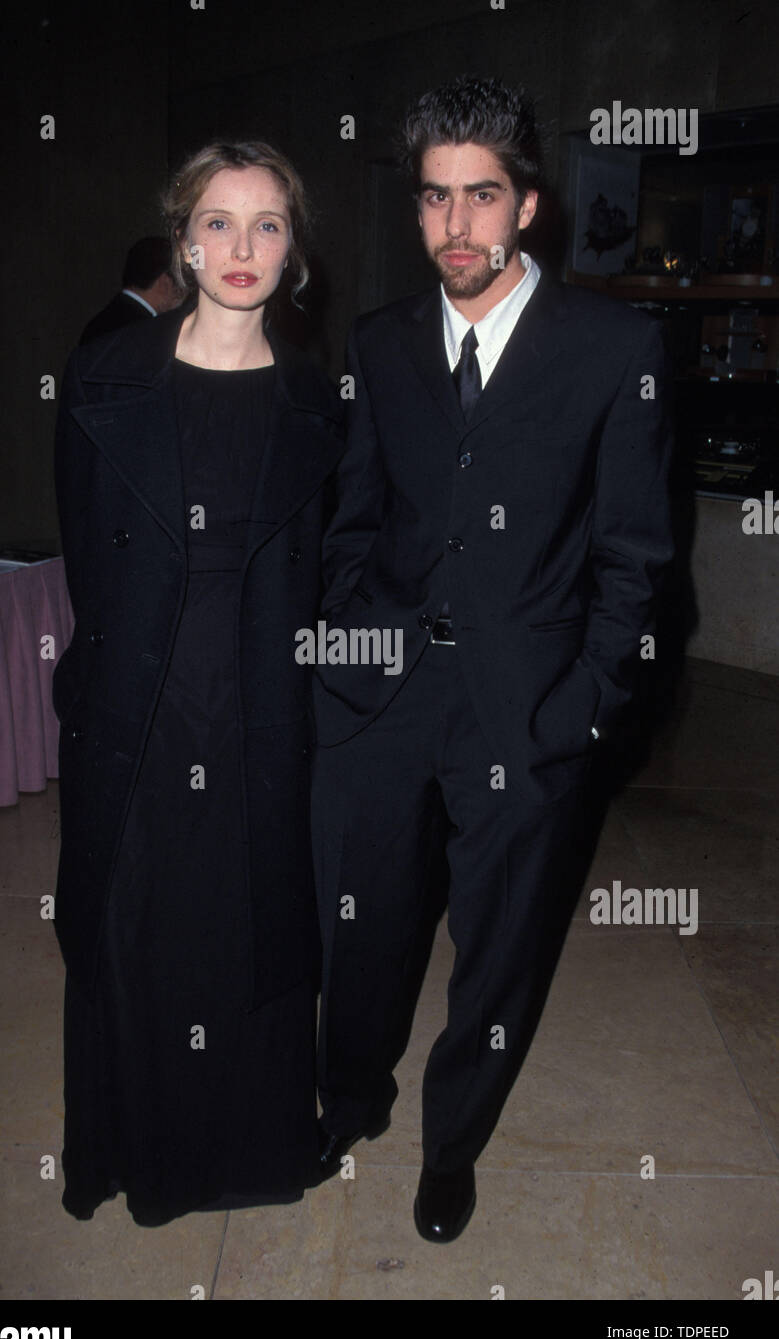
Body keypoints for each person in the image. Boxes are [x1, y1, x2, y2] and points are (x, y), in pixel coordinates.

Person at [311, 75, 674, 1242]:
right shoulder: (379, 341)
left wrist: (581, 710)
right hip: (383, 699)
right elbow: (351, 525)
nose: (453, 227)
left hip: (527, 710)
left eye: (480, 197)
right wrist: (345, 657)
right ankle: (349, 1096)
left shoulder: (615, 348)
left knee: (498, 950)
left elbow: (636, 563)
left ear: (527, 206)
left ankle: (450, 1142)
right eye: (432, 200)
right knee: (362, 922)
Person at [52, 141, 344, 1226]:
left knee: (245, 928)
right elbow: (87, 554)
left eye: (268, 224)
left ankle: (249, 1151)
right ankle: (135, 1151)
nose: (241, 247)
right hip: (138, 701)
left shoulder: (318, 405)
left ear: (292, 251)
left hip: (260, 710)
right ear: (182, 237)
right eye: (218, 222)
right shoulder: (102, 376)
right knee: (135, 932)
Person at [79, 235, 184, 344]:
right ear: (165, 283)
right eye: (182, 283)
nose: (183, 293)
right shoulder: (148, 332)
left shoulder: (98, 323)